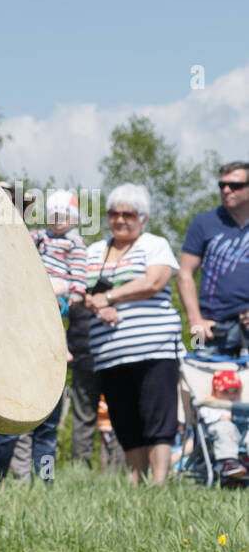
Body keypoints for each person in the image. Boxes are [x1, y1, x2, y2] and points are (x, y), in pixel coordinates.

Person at [82, 183, 183, 484]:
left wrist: (110, 298)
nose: (120, 219)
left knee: (158, 417)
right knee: (125, 419)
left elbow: (153, 282)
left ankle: (159, 483)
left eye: (129, 214)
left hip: (155, 348)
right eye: (114, 213)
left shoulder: (154, 244)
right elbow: (80, 292)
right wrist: (96, 305)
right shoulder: (94, 251)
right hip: (110, 354)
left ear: (143, 218)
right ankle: (134, 482)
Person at [0, 190, 86, 482]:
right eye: (53, 216)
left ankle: (46, 480)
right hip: (27, 314)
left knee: (47, 426)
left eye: (63, 217)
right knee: (11, 419)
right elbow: (15, 249)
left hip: (54, 308)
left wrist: (64, 298)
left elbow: (78, 285)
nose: (57, 222)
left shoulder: (76, 245)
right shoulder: (38, 237)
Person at [178, 160, 249, 356]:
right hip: (207, 325)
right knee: (196, 375)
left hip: (247, 324)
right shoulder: (203, 222)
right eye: (222, 185)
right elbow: (184, 274)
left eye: (235, 186)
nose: (226, 190)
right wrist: (194, 320)